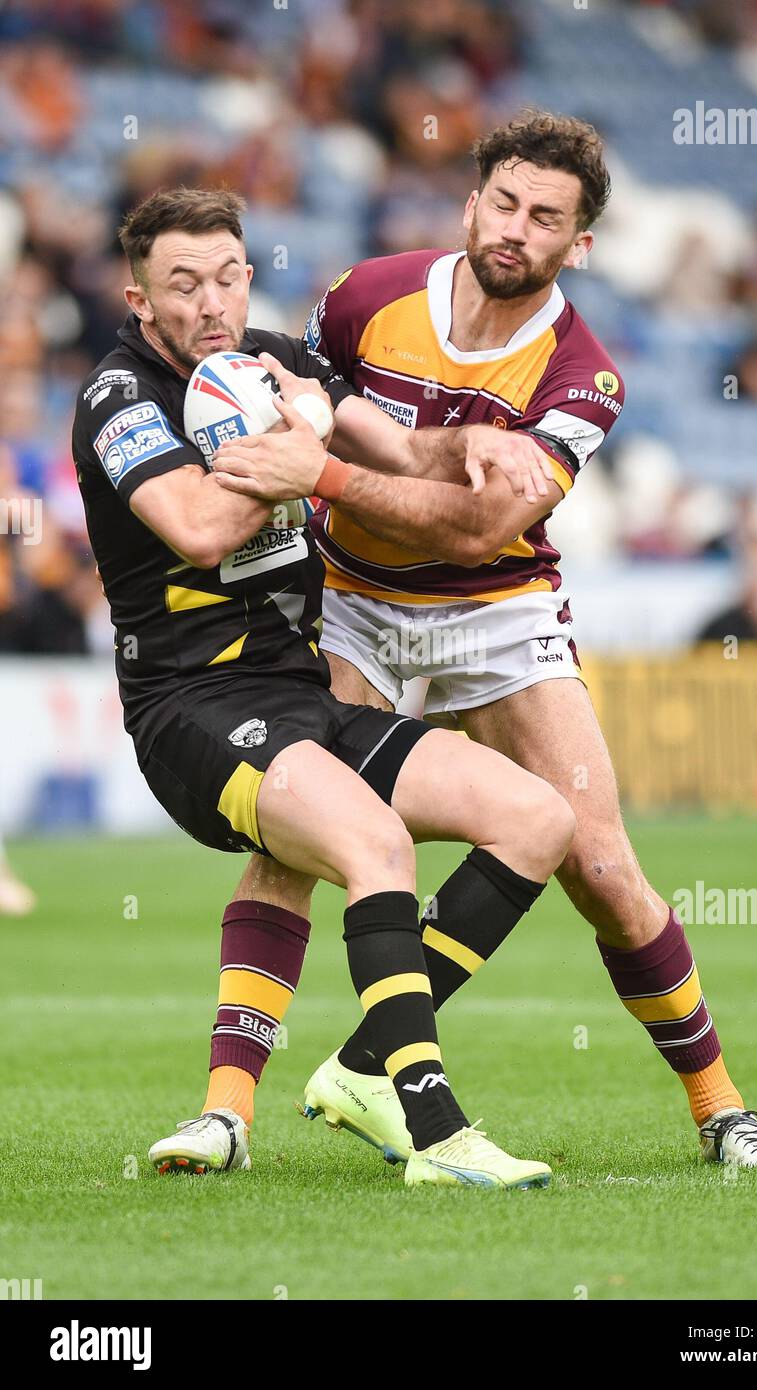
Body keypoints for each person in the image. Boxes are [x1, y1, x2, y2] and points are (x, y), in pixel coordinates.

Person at [214, 110, 757, 1170]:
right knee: (292, 841)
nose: (516, 229)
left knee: (600, 863)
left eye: (546, 218)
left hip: (497, 615)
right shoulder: (362, 297)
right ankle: (225, 1117)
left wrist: (335, 476)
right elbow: (305, 414)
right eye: (504, 203)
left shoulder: (585, 375)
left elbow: (487, 525)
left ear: (578, 245)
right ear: (470, 201)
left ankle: (720, 1109)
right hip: (351, 597)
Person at [71, 186, 577, 1189]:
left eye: (227, 274)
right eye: (182, 284)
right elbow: (202, 529)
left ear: (250, 274)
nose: (211, 301)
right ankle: (434, 1130)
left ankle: (341, 1074)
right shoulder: (117, 397)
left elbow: (389, 447)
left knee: (536, 817)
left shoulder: (283, 362)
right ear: (139, 300)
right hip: (192, 708)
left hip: (303, 689)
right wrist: (298, 442)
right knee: (372, 844)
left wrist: (470, 443)